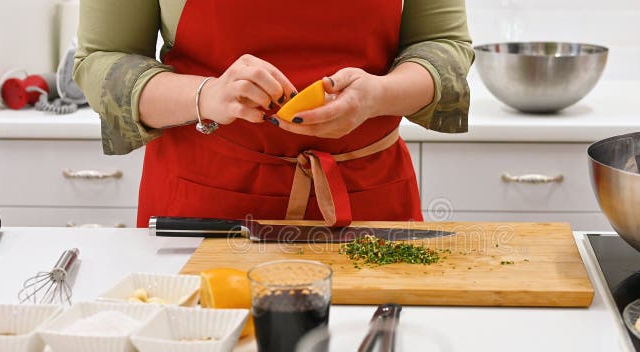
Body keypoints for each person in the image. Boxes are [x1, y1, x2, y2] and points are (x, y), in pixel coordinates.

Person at [74, 0, 473, 227]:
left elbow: (443, 45)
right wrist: (208, 95)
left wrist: (379, 95)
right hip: (205, 211)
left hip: (368, 208)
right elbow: (102, 59)